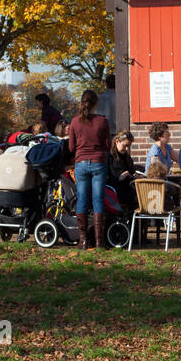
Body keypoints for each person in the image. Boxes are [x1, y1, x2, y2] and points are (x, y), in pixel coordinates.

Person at [69, 90, 111, 250]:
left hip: (81, 163)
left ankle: (83, 241)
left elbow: (71, 147)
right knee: (98, 200)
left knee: (82, 200)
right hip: (98, 162)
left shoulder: (74, 122)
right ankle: (99, 242)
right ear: (96, 103)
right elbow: (108, 145)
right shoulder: (102, 121)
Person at [108, 130, 138, 207]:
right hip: (115, 191)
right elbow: (107, 178)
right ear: (117, 142)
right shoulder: (109, 157)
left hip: (128, 189)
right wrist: (119, 177)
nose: (127, 149)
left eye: (129, 146)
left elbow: (132, 171)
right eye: (125, 145)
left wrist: (134, 176)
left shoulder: (127, 158)